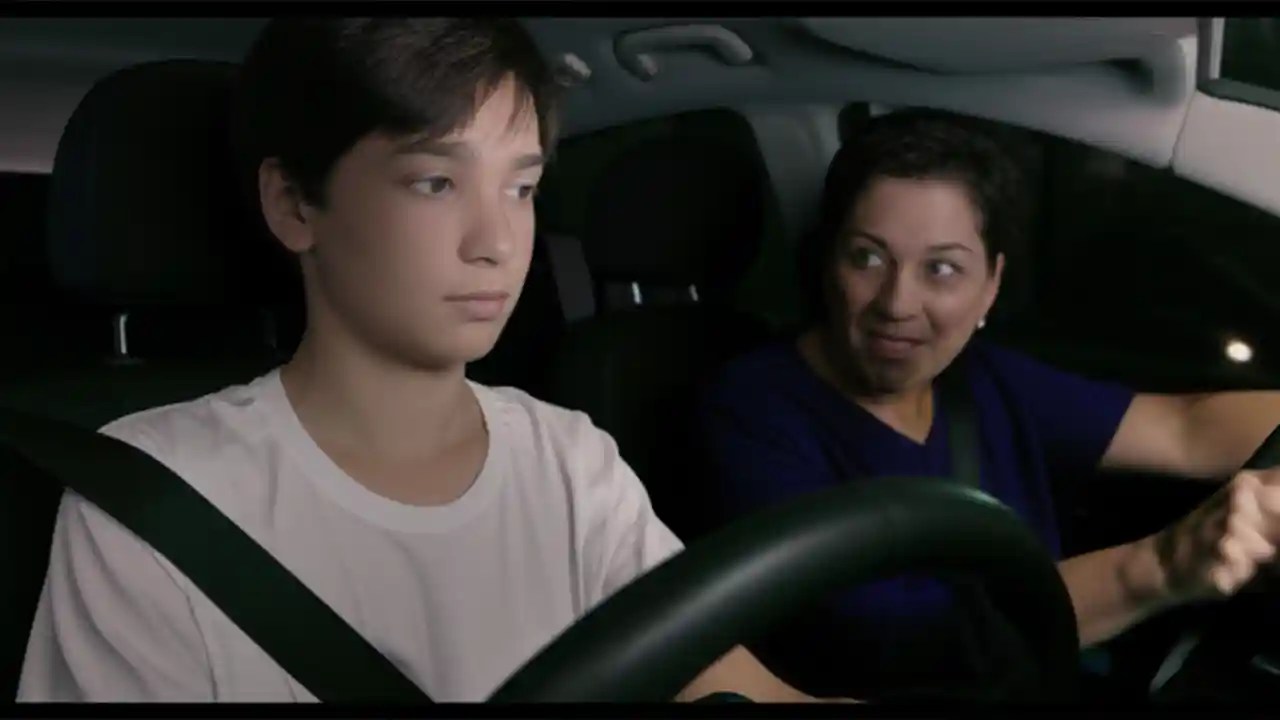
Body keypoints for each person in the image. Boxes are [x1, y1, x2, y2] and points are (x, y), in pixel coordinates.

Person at [17, 18, 837, 703]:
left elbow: (741, 692)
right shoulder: (149, 499)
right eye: (435, 184)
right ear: (294, 204)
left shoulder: (571, 464)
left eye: (521, 188)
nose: (499, 245)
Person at [696, 109, 1280, 700]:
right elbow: (889, 638)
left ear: (991, 285)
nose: (897, 302)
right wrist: (1162, 565)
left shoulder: (983, 379)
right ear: (830, 264)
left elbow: (1187, 428)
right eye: (868, 258)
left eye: (942, 269)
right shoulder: (754, 408)